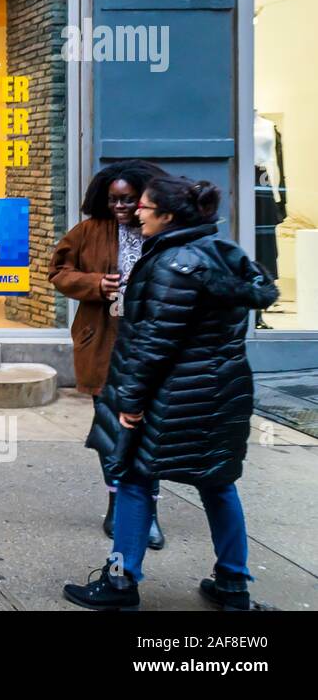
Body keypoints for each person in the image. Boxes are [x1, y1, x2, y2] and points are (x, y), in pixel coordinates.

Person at [63, 177, 278, 611]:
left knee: (135, 481)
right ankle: (233, 586)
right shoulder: (224, 253)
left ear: (168, 216)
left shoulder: (170, 265)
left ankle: (121, 584)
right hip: (221, 395)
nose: (136, 212)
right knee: (218, 485)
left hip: (172, 397)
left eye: (144, 206)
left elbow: (155, 343)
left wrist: (132, 403)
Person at [49, 159, 166, 548]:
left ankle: (148, 510)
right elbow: (59, 272)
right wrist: (94, 282)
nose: (121, 207)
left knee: (149, 433)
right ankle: (117, 504)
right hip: (103, 341)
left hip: (152, 346)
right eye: (114, 199)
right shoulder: (89, 231)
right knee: (110, 430)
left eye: (129, 200)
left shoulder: (162, 231)